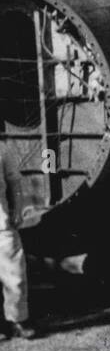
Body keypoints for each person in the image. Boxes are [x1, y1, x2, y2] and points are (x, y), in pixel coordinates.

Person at [0, 143, 36, 340]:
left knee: (15, 275)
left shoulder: (2, 149)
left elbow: (14, 183)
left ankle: (17, 321)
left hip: (2, 222)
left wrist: (17, 210)